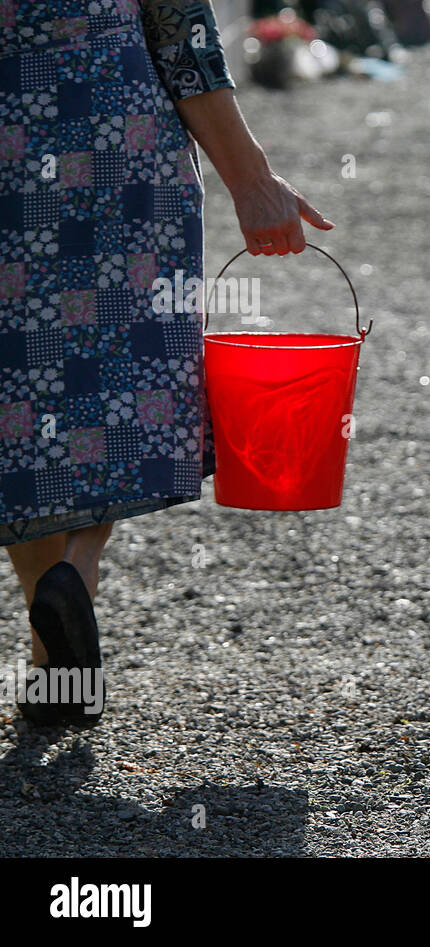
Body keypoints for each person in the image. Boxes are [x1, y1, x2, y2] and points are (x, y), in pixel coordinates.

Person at [0, 1, 332, 725]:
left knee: (19, 412)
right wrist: (252, 180)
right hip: (122, 151)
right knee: (115, 394)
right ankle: (76, 577)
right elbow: (182, 39)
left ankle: (52, 661)